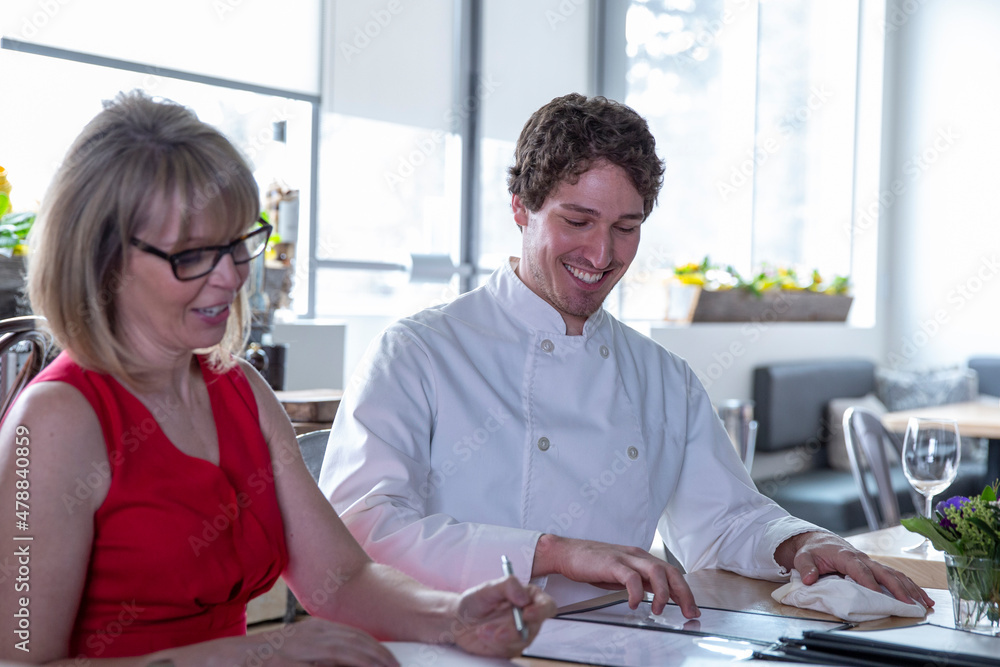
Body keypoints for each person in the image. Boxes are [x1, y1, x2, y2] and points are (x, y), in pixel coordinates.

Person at [320, 92, 935, 617]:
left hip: (614, 641)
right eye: (578, 220)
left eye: (626, 227)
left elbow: (722, 520)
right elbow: (359, 531)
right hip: (450, 648)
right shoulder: (420, 352)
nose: (602, 253)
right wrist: (556, 551)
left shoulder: (661, 376)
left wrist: (798, 543)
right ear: (520, 208)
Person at [0, 91, 554, 664]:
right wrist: (243, 655)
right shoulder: (54, 423)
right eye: (192, 255)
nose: (230, 277)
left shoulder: (238, 389)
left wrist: (453, 616)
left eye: (237, 244)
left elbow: (340, 579)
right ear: (104, 257)